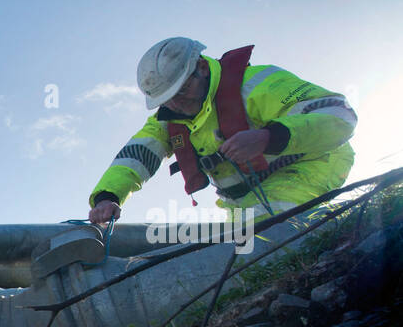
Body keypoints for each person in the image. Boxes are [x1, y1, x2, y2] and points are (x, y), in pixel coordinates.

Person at [87, 38, 356, 230]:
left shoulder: (258, 83)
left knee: (263, 241)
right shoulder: (168, 120)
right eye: (167, 100)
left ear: (202, 68)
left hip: (309, 166)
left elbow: (339, 116)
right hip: (241, 199)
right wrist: (107, 197)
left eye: (181, 91)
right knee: (241, 249)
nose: (177, 104)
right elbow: (135, 156)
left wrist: (267, 138)